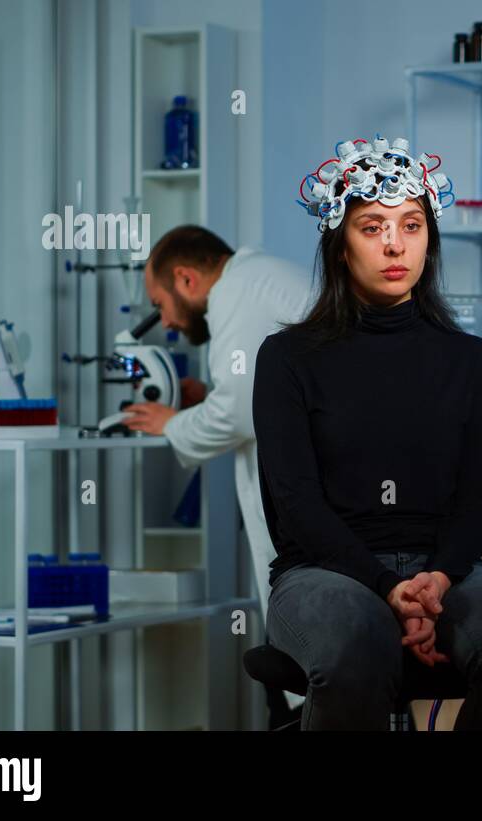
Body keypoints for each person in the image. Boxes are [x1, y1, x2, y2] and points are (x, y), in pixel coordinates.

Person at [252, 135, 482, 730]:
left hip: (446, 569)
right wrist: (386, 586)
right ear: (340, 245)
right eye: (371, 227)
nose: (394, 243)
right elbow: (295, 506)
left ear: (429, 239)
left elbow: (479, 499)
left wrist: (436, 580)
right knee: (356, 643)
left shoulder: (471, 358)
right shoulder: (287, 357)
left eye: (411, 225)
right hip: (323, 571)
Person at [123, 225, 313, 721]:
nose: (165, 323)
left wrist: (171, 425)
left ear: (186, 278)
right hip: (320, 503)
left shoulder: (237, 293)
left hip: (313, 516)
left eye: (160, 303)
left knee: (306, 683)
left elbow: (240, 414)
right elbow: (267, 396)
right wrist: (206, 399)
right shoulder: (258, 279)